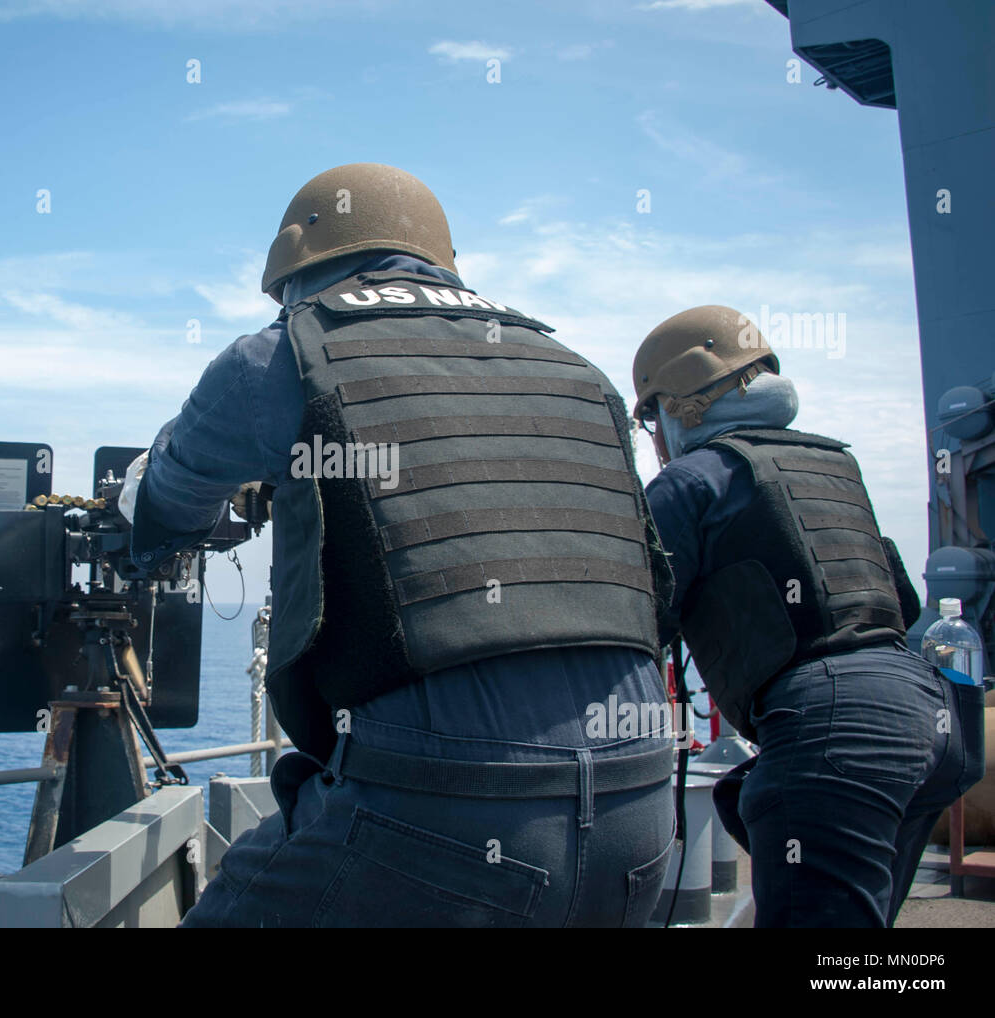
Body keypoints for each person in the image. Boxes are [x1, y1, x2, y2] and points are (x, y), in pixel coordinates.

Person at [124, 163, 676, 927]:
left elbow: (169, 500)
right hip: (644, 811)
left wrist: (151, 516)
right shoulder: (580, 372)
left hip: (442, 817)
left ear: (295, 269)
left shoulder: (281, 353)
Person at [632, 305, 984, 927]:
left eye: (650, 417)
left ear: (675, 404)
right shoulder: (835, 466)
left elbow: (636, 624)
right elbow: (899, 606)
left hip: (839, 739)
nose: (655, 438)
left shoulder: (690, 482)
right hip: (935, 727)